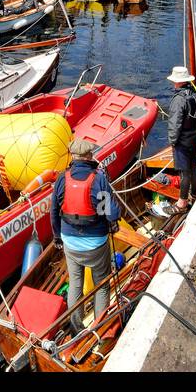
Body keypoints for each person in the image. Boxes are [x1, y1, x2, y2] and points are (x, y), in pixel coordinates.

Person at [51, 138, 120, 331]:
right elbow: (113, 213)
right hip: (96, 244)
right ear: (90, 156)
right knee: (102, 285)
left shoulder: (61, 178)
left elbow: (54, 212)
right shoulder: (99, 179)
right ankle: (101, 328)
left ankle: (76, 327)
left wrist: (57, 237)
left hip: (70, 242)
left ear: (73, 156)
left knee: (75, 284)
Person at [166, 65, 196, 212]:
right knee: (193, 168)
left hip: (182, 142)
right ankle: (194, 195)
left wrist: (173, 142)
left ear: (178, 82)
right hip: (193, 139)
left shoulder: (179, 100)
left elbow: (175, 124)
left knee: (184, 172)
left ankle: (182, 203)